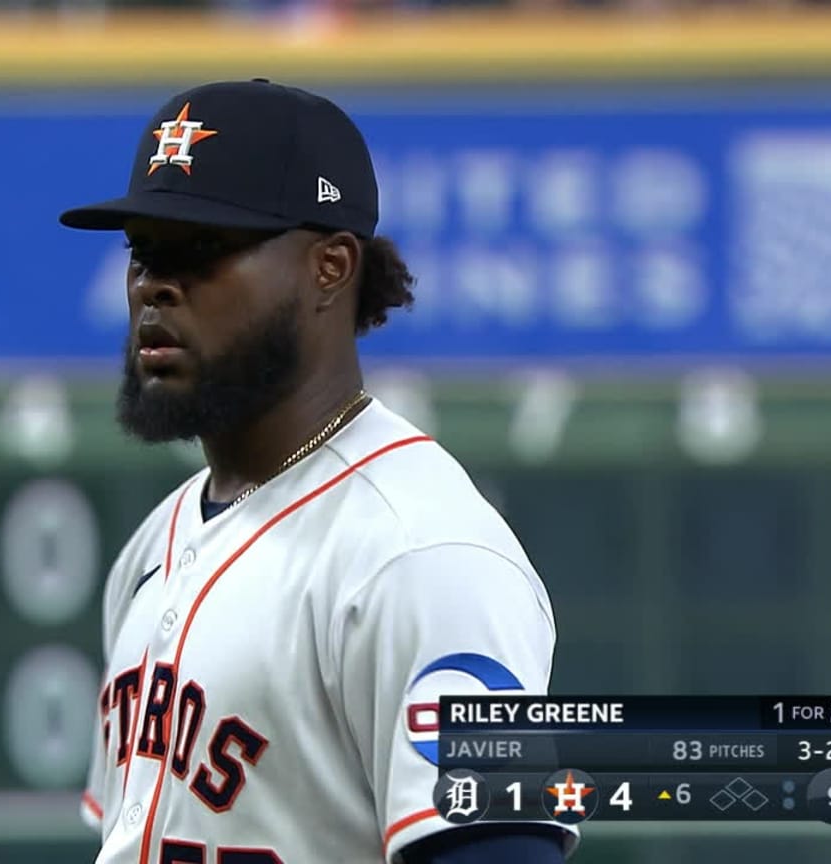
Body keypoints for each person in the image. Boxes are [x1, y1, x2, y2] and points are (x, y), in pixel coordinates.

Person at [59, 79, 572, 864]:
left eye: (202, 249)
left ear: (330, 267)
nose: (154, 285)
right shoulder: (148, 552)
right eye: (143, 251)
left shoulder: (424, 554)